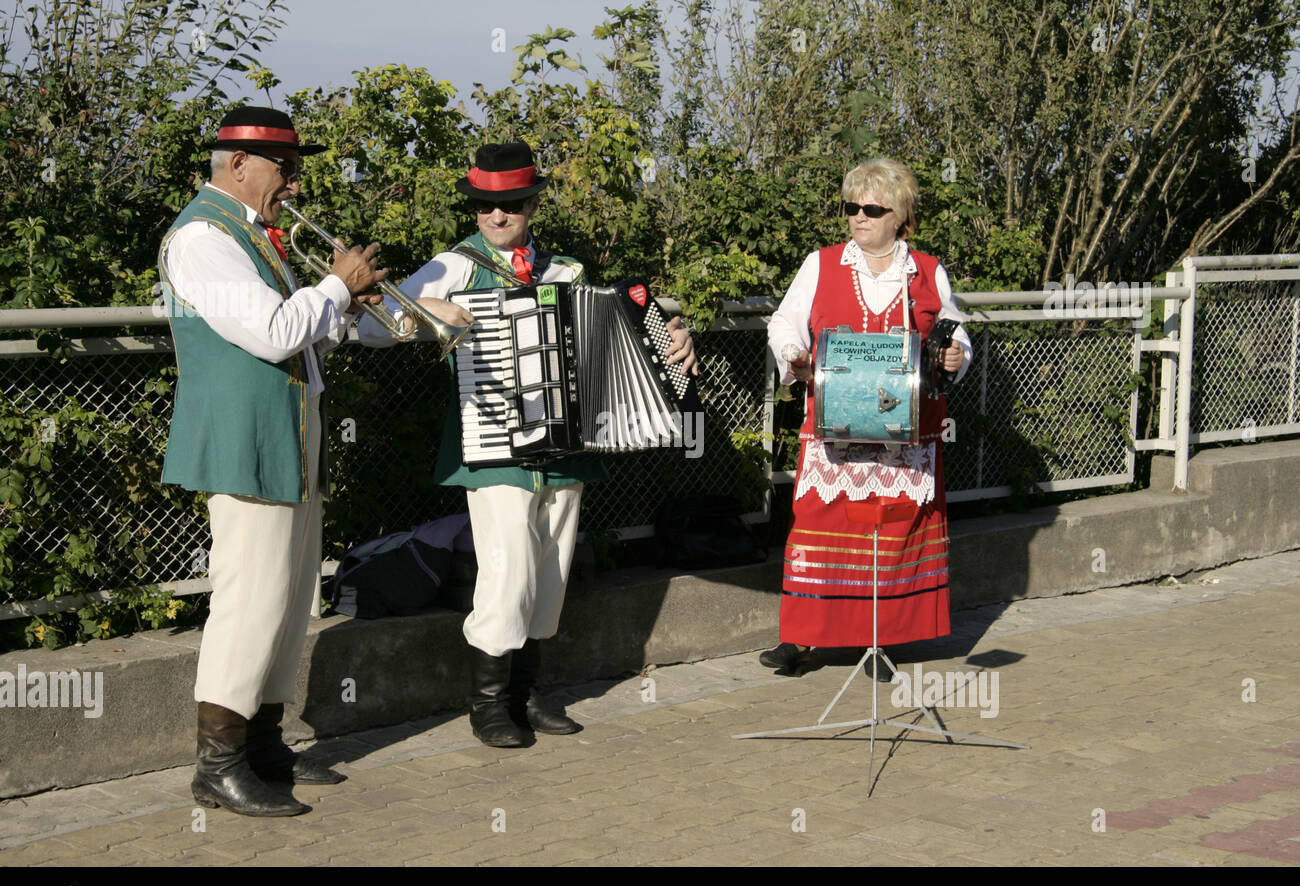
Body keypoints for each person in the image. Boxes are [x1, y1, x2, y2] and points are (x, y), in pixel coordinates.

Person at [359, 142, 697, 747]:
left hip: (568, 447)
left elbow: (615, 342)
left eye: (509, 204)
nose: (495, 215)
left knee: (550, 574)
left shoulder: (565, 272)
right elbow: (369, 324)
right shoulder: (453, 265)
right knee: (507, 570)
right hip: (492, 441)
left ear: (533, 203)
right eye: (485, 205)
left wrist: (670, 335)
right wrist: (424, 307)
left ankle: (530, 692)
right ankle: (487, 703)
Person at [160, 106, 389, 815]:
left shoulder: (252, 233)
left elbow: (299, 332)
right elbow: (269, 332)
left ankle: (262, 745)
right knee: (248, 599)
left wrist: (344, 310)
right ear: (238, 165)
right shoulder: (203, 236)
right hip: (244, 434)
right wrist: (336, 289)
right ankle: (216, 766)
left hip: (287, 430)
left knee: (289, 598)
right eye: (284, 169)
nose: (292, 184)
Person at [761, 157, 972, 675]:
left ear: (899, 215)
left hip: (905, 431)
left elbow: (957, 335)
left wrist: (954, 357)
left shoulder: (928, 270)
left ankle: (880, 640)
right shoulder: (821, 263)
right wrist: (794, 354)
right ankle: (803, 638)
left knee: (893, 530)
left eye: (871, 208)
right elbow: (784, 321)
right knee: (817, 525)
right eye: (851, 207)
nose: (859, 216)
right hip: (835, 426)